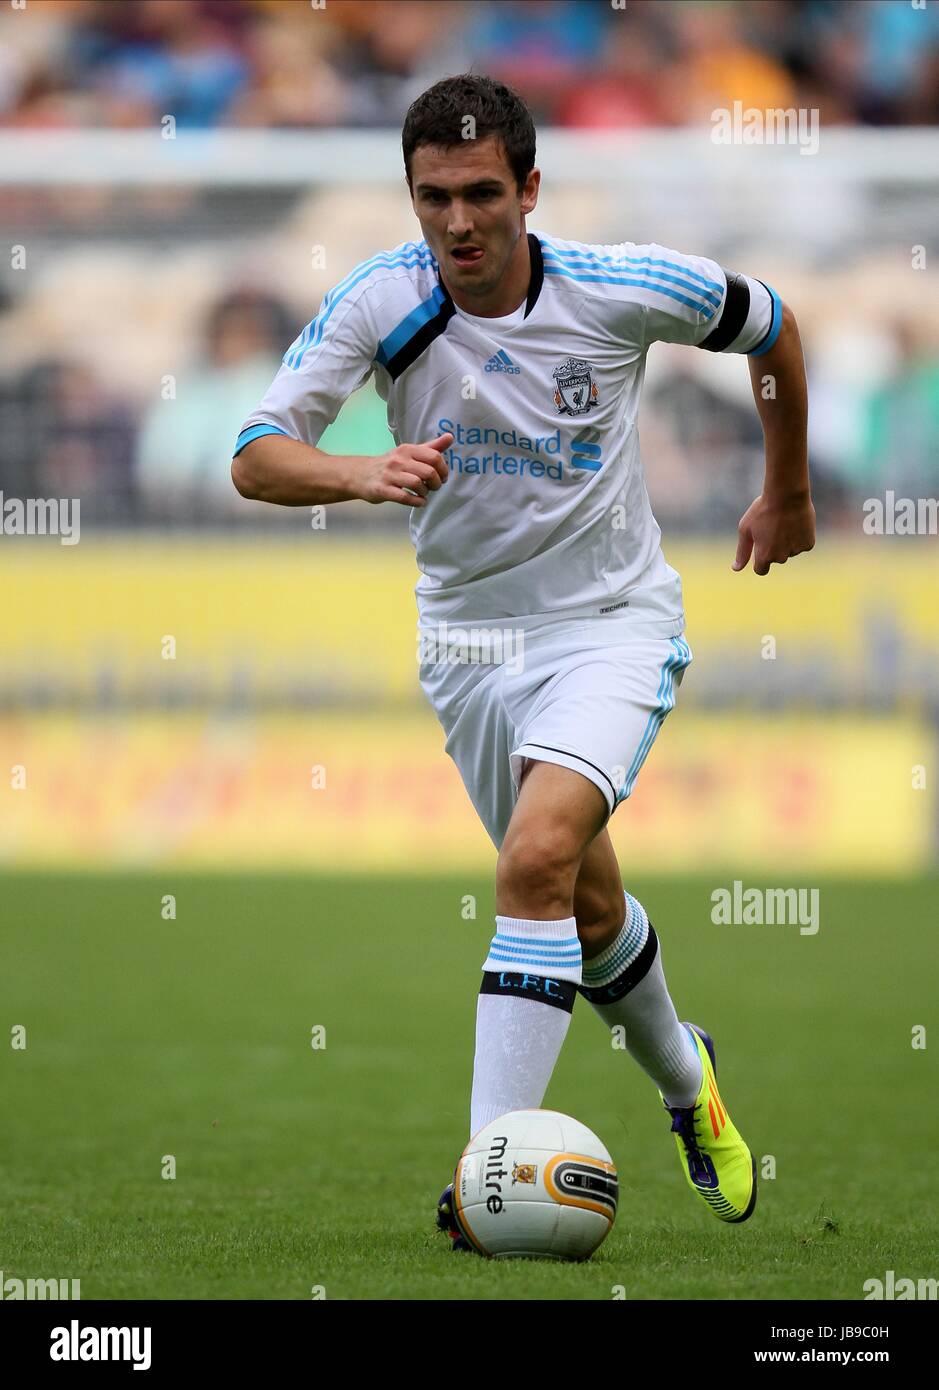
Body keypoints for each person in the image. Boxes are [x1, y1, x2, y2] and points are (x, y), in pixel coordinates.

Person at [231, 74, 814, 1247]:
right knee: (586, 906)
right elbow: (255, 454)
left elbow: (772, 325)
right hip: (468, 645)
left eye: (483, 193)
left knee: (536, 862)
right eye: (434, 197)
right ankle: (687, 1083)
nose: (458, 222)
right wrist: (358, 472)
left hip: (611, 623)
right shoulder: (382, 301)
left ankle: (482, 1175)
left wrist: (786, 486)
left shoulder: (620, 287)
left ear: (531, 190)